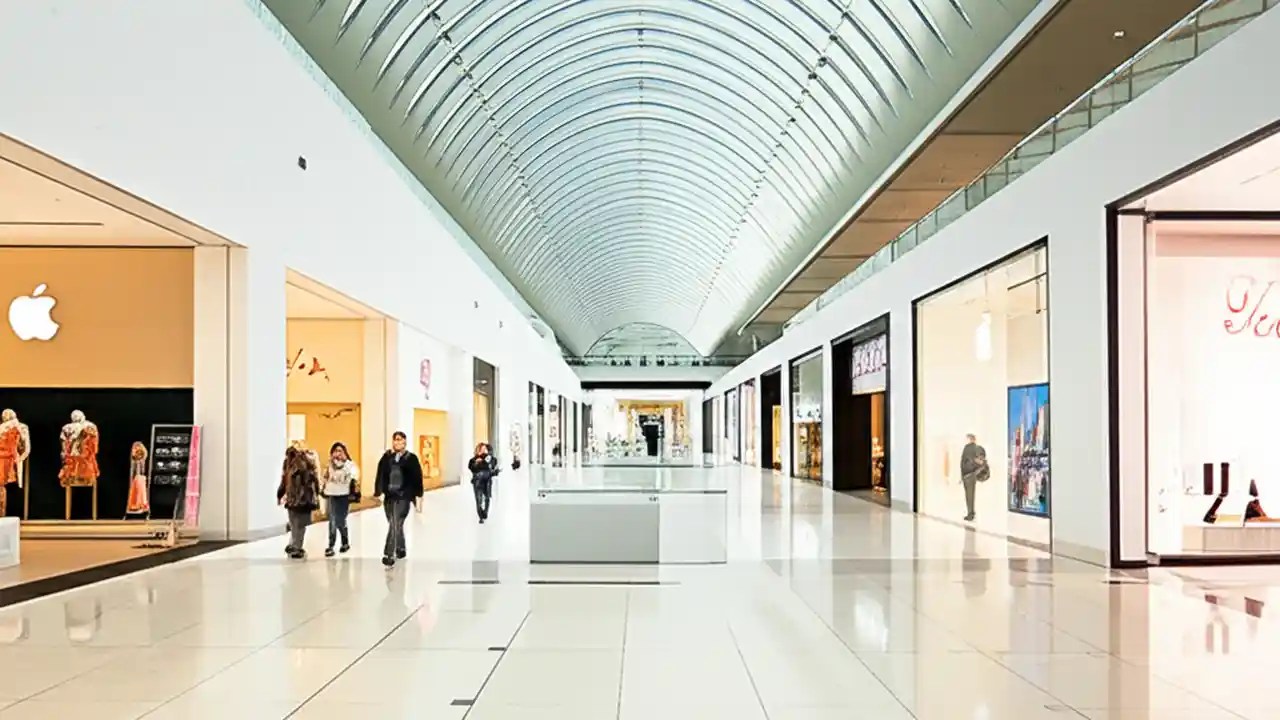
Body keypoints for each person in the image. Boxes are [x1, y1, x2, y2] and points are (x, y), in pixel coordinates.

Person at [373, 431, 423, 567]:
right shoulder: (387, 457)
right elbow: (380, 474)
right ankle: (401, 548)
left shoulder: (411, 458)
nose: (397, 442)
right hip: (389, 496)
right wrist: (378, 491)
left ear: (404, 442)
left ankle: (389, 554)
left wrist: (418, 495)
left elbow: (417, 477)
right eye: (395, 439)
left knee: (394, 524)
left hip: (403, 497)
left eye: (400, 439)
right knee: (395, 524)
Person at [278, 445, 321, 559]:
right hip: (298, 500)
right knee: (296, 524)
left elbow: (285, 481)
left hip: (300, 500)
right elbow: (285, 481)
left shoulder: (300, 464)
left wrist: (280, 494)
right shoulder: (293, 464)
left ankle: (296, 546)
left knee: (297, 524)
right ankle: (294, 545)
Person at [321, 441, 359, 557]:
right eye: (335, 451)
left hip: (344, 495)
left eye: (340, 451)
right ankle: (331, 545)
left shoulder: (349, 465)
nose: (338, 453)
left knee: (340, 521)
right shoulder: (329, 465)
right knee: (332, 520)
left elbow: (355, 477)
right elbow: (324, 478)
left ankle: (345, 541)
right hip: (331, 494)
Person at [959, 433, 989, 522]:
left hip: (968, 475)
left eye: (967, 438)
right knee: (969, 495)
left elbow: (979, 461)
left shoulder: (972, 448)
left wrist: (975, 470)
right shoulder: (971, 448)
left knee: (969, 495)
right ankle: (970, 513)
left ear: (971, 439)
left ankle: (970, 514)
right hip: (968, 475)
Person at [468, 443, 499, 523]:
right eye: (482, 449)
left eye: (485, 449)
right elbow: (472, 468)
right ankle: (481, 516)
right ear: (478, 449)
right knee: (479, 499)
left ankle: (485, 512)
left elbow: (493, 463)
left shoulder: (489, 458)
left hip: (487, 480)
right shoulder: (473, 460)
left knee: (487, 497)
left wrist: (486, 461)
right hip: (477, 481)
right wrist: (477, 463)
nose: (484, 450)